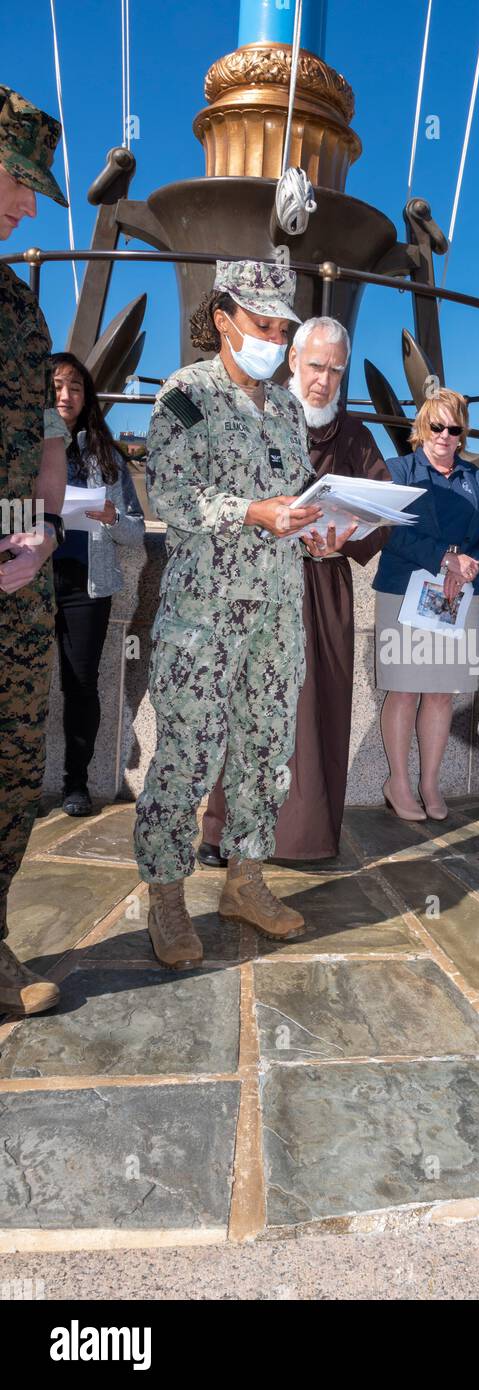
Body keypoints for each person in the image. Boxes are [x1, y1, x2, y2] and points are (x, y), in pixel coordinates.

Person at [132, 260, 356, 969]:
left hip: (276, 615)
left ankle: (245, 881)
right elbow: (170, 495)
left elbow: (294, 500)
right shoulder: (186, 395)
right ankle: (166, 894)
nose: (271, 337)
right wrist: (249, 513)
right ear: (224, 318)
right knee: (188, 755)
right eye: (261, 324)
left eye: (280, 327)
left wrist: (319, 534)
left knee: (264, 753)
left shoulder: (288, 409)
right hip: (203, 613)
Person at [199, 315, 390, 865]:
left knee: (314, 711)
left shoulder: (355, 436)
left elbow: (381, 512)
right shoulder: (251, 414)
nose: (322, 381)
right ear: (292, 362)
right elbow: (220, 497)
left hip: (324, 592)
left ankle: (303, 837)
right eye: (314, 366)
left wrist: (344, 539)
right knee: (246, 706)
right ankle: (221, 831)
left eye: (334, 370)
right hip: (256, 584)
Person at [0, 87, 70, 1016]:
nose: (25, 205)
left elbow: (50, 441)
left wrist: (44, 530)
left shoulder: (21, 310)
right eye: (17, 181)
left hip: (17, 567)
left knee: (15, 766)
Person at [372, 388, 479, 820]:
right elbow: (390, 530)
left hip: (457, 598)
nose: (445, 435)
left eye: (454, 428)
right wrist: (442, 558)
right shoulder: (398, 472)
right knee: (405, 690)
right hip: (403, 591)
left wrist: (465, 569)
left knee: (441, 694)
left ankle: (430, 781)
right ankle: (399, 782)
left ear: (463, 433)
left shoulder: (478, 480)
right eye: (437, 425)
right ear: (422, 426)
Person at [49, 352, 145, 814]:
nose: (65, 395)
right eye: (56, 386)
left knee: (81, 685)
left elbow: (136, 528)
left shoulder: (106, 456)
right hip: (30, 580)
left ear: (87, 397)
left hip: (88, 585)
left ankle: (76, 783)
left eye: (75, 387)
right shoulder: (23, 444)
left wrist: (111, 518)